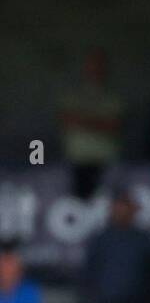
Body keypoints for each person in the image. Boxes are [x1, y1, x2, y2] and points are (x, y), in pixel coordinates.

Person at [58, 48, 123, 200]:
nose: (95, 69)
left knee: (105, 204)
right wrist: (97, 121)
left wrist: (81, 120)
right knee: (77, 207)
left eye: (99, 64)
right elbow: (65, 120)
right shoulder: (73, 95)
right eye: (92, 64)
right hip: (77, 163)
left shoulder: (112, 96)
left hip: (106, 163)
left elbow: (114, 125)